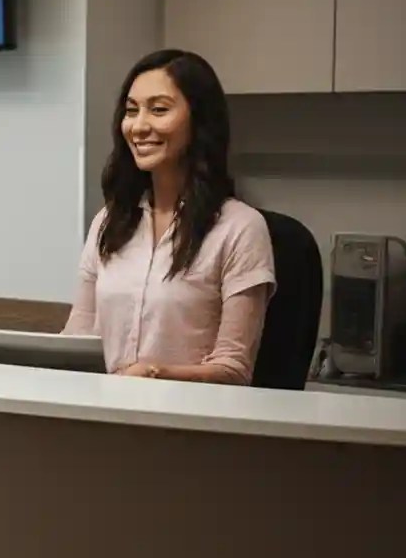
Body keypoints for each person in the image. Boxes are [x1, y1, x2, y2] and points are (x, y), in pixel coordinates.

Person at [63, 49, 275, 385]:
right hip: (103, 418)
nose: (139, 125)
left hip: (189, 425)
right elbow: (76, 340)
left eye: (159, 110)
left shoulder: (240, 228)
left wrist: (153, 373)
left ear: (199, 121)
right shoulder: (108, 222)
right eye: (131, 111)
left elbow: (234, 370)